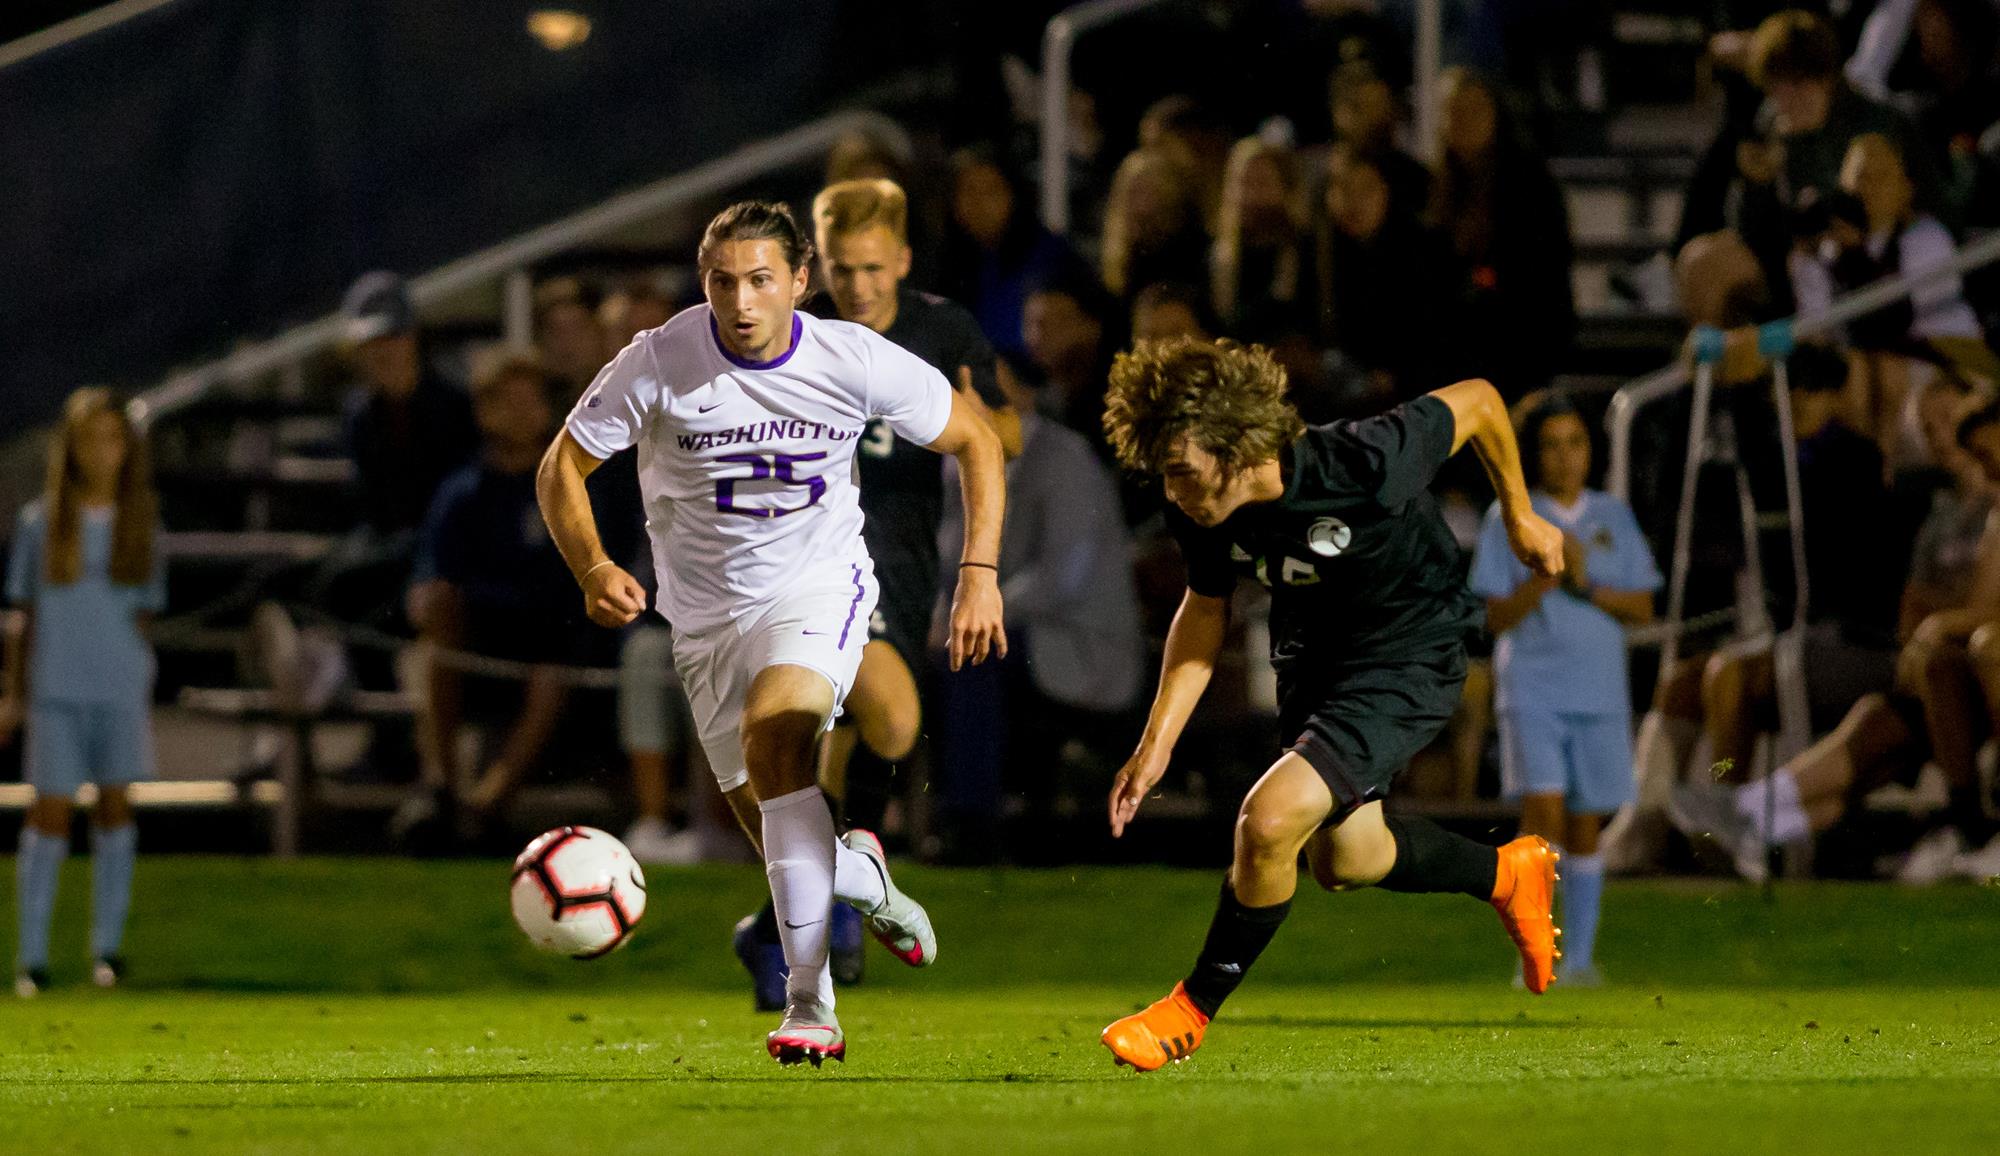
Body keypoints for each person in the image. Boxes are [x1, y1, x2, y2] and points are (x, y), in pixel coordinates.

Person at [536, 200, 1008, 1065]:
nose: (741, 301)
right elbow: (561, 463)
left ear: (800, 281)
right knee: (782, 835)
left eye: (760, 280)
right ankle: (859, 875)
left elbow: (978, 441)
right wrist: (594, 565)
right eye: (723, 282)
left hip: (818, 590)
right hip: (705, 622)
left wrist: (978, 574)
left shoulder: (850, 357)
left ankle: (809, 1007)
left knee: (777, 740)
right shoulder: (661, 359)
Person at [1095, 338, 1567, 1072]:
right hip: (1314, 663)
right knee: (1348, 859)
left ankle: (1189, 1009)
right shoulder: (1201, 505)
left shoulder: (1361, 459)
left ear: (1235, 442)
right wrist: (1156, 743)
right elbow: (1205, 608)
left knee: (1268, 821)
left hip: (1410, 650)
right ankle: (1507, 875)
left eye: (1181, 468)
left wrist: (1520, 514)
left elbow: (1479, 399)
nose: (1172, 489)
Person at [725, 178, 1020, 1003]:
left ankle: (783, 924)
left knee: (846, 739)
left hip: (905, 557)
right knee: (889, 716)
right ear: (817, 266)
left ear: (903, 261)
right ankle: (853, 878)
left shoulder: (940, 331)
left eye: (872, 268)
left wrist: (976, 416)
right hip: (817, 558)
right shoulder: (797, 331)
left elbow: (1002, 433)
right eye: (842, 269)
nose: (857, 286)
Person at [1470, 395, 1659, 986]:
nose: (1566, 456)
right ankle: (1533, 953)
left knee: (1585, 823)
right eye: (1551, 445)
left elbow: (1643, 606)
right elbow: (1492, 616)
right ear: (1532, 454)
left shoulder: (1612, 515)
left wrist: (1585, 584)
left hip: (1599, 689)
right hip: (1534, 686)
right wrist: (1545, 579)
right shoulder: (1510, 516)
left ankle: (1579, 961)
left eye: (1576, 442)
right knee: (1543, 812)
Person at [1, 389, 165, 997]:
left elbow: (143, 616)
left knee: (116, 810)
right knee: (49, 816)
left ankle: (107, 951)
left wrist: (134, 678)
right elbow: (22, 617)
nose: (102, 452)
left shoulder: (141, 524)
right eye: (90, 439)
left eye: (113, 439)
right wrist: (13, 695)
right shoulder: (40, 524)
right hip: (56, 689)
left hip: (117, 689)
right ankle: (32, 958)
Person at [398, 359, 587, 841]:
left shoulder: (566, 486)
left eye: (532, 402)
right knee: (434, 630)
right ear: (485, 412)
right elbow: (433, 576)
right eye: (509, 403)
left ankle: (485, 805)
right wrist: (429, 598)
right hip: (477, 637)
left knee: (552, 668)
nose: (523, 413)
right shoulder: (461, 491)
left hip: (547, 638)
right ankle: (440, 787)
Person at [1427, 69, 1575, 399]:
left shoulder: (1529, 184)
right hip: (1455, 351)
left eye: (1476, 110)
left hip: (1519, 341)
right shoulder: (1437, 188)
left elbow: (1541, 276)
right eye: (1455, 112)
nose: (1465, 121)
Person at [1210, 136, 1309, 337]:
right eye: (1244, 183)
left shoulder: (1306, 251)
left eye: (1263, 183)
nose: (1251, 195)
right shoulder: (1217, 255)